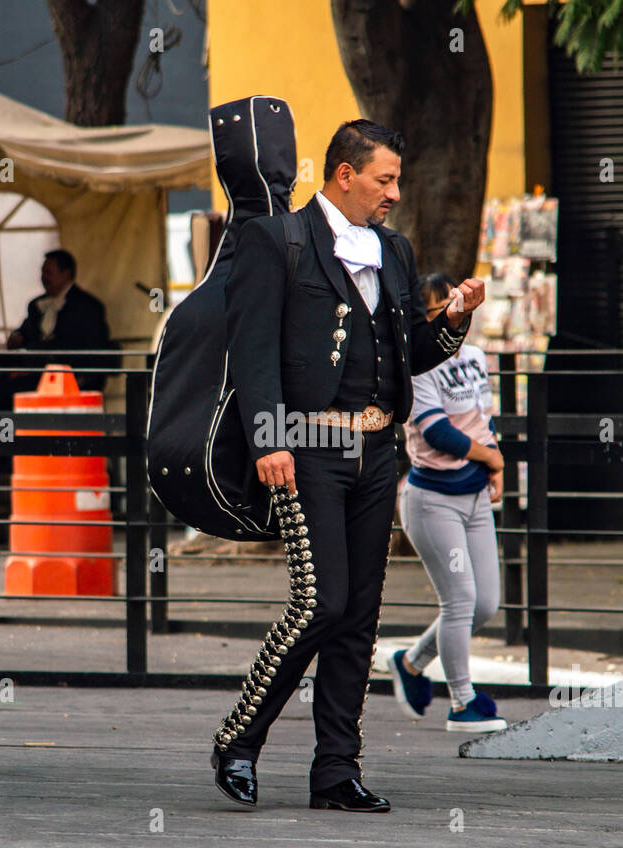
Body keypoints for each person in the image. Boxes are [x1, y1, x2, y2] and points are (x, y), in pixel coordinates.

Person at [213, 119, 485, 811]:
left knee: (360, 615)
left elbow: (409, 353)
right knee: (320, 602)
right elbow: (252, 350)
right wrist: (269, 438)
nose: (395, 192)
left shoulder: (394, 250)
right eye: (384, 179)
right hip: (305, 447)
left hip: (376, 450)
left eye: (396, 180)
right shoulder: (278, 240)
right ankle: (239, 740)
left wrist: (453, 318)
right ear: (344, 174)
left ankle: (336, 770)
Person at [389, 273, 506, 734]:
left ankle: (412, 663)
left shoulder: (476, 357)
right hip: (432, 499)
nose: (454, 318)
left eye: (458, 308)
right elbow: (438, 433)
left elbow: (483, 419)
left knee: (485, 606)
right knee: (459, 601)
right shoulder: (415, 367)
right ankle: (462, 702)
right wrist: (491, 457)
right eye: (440, 312)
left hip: (474, 494)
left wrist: (493, 465)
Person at [0, 249, 114, 401]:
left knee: (8, 391)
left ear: (66, 274)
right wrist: (17, 336)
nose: (43, 278)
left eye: (48, 272)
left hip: (73, 378)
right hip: (38, 376)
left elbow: (92, 348)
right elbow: (26, 331)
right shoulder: (36, 305)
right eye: (42, 272)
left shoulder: (88, 306)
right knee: (2, 390)